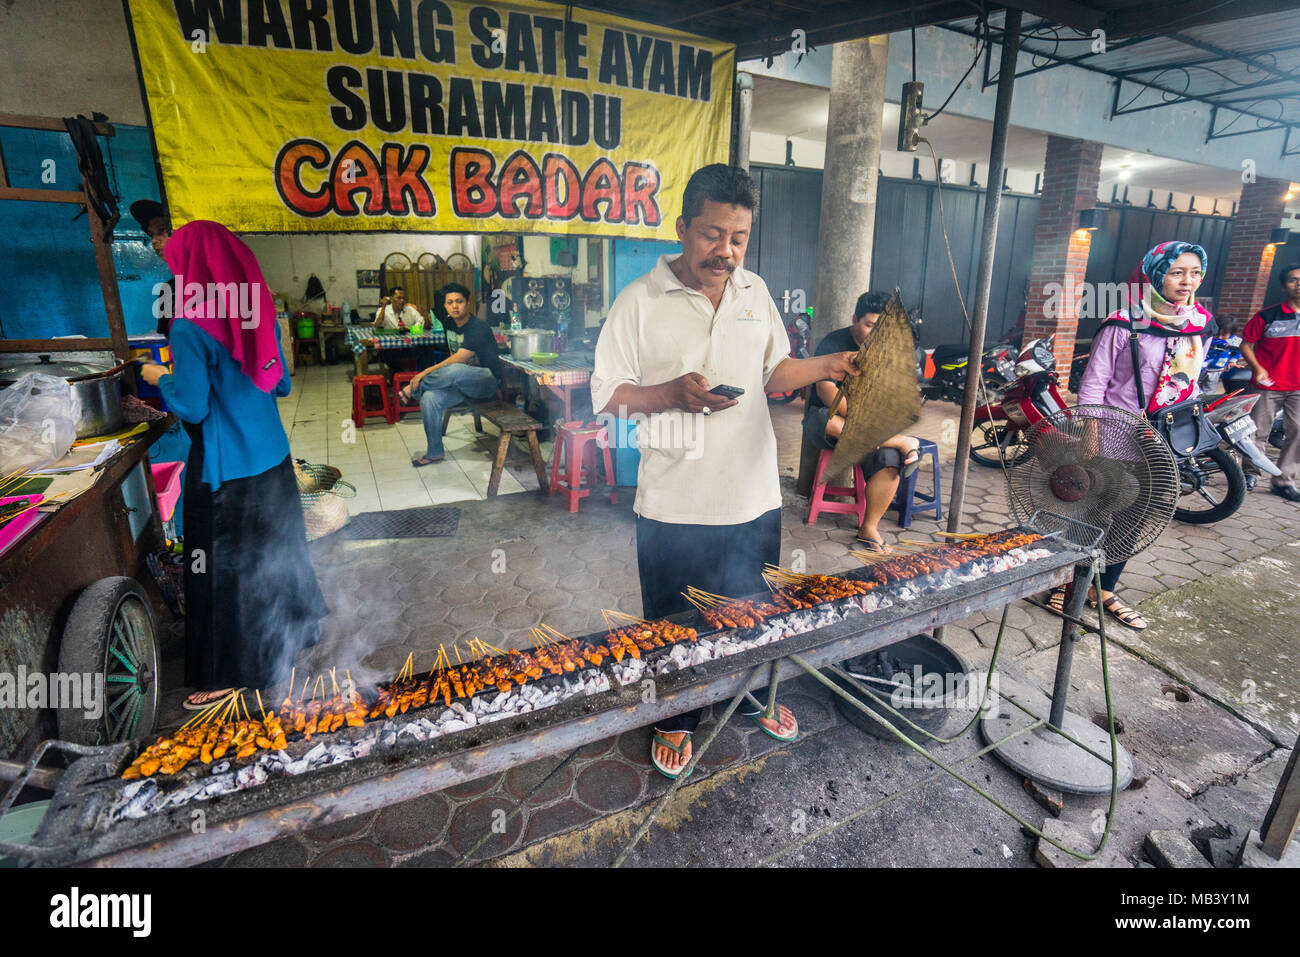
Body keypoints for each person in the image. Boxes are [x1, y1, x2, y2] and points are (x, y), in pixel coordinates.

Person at [591, 164, 859, 779]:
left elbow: (774, 375)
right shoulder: (639, 302)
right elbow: (607, 396)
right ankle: (676, 717)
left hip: (752, 493)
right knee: (674, 623)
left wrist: (830, 364)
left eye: (738, 237)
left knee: (753, 610)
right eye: (713, 234)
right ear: (682, 228)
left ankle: (750, 698)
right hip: (673, 503)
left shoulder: (754, 293)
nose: (727, 251)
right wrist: (669, 394)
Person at [135, 221, 328, 708]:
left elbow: (195, 406)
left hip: (229, 472)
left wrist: (159, 375)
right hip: (273, 459)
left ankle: (228, 672)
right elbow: (279, 382)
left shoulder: (188, 325)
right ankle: (297, 634)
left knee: (223, 570)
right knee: (278, 552)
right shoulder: (256, 309)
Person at [1066, 240, 1212, 630]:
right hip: (1114, 437)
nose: (1187, 281)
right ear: (1155, 273)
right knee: (1094, 514)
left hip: (1163, 442)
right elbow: (1094, 385)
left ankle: (1105, 589)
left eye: (1195, 272)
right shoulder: (1124, 321)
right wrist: (1090, 437)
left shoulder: (1201, 324)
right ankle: (1069, 584)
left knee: (1134, 518)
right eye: (1177, 271)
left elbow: (1191, 383)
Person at [803, 290, 922, 552]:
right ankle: (901, 441)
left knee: (892, 460)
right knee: (827, 419)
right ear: (855, 318)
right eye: (869, 325)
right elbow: (827, 393)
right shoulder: (834, 343)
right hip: (830, 422)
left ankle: (869, 528)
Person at [399, 282, 503, 467]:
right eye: (450, 302)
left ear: (468, 304)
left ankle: (413, 390)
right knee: (429, 398)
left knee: (455, 369)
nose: (455, 306)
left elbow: (459, 358)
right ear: (445, 305)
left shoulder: (478, 327)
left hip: (487, 382)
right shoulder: (448, 323)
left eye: (459, 301)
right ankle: (435, 452)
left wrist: (423, 374)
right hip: (462, 384)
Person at [1240, 263, 1300, 501]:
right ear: (1284, 286)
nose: (1299, 284)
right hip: (1268, 385)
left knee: (1297, 431)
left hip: (1298, 386)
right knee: (1257, 431)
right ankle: (1249, 473)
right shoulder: (1266, 315)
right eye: (1293, 279)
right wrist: (1258, 368)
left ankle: (1284, 480)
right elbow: (1246, 344)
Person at [130, 199, 174, 336]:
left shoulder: (220, 284)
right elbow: (167, 343)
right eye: (151, 235)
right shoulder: (168, 290)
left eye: (162, 230)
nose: (154, 240)